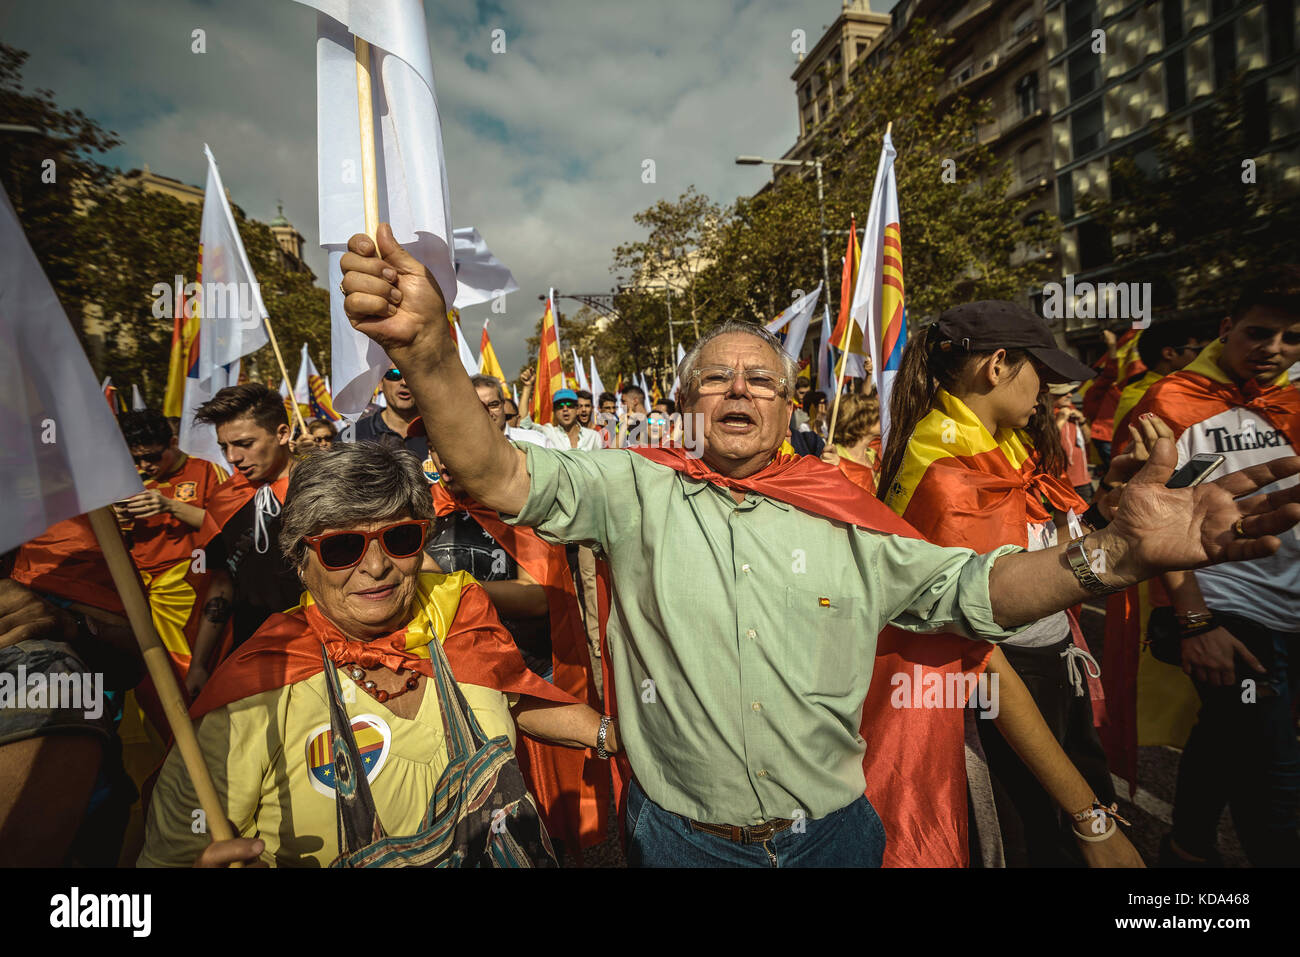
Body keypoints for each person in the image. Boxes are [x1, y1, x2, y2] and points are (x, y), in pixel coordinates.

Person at [339, 223, 1300, 867]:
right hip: (682, 841)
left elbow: (973, 594)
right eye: (716, 379)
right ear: (686, 404)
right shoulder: (631, 487)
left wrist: (1115, 558)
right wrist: (426, 354)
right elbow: (497, 475)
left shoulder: (842, 505)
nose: (740, 391)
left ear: (791, 404)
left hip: (836, 836)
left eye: (761, 378)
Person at [138, 443, 618, 867]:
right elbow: (176, 854)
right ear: (300, 562)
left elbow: (508, 692)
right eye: (342, 546)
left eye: (400, 537)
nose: (376, 566)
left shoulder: (454, 610)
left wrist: (612, 735)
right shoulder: (255, 689)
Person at [878, 301, 1131, 866]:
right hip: (997, 705)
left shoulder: (1004, 450)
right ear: (997, 366)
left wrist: (1104, 519)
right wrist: (1088, 818)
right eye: (1042, 371)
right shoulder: (949, 475)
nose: (1048, 390)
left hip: (1043, 676)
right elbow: (980, 654)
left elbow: (1032, 547)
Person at [1119, 277, 1300, 867]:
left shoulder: (1295, 399)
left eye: (1292, 338)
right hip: (1226, 608)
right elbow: (1154, 519)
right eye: (1259, 332)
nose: (1274, 347)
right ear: (1227, 327)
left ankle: (1186, 849)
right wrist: (1195, 622)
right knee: (1274, 774)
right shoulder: (1173, 400)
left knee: (1226, 739)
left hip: (1291, 602)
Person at [423, 448, 610, 857]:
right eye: (437, 450)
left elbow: (539, 597)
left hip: (528, 670)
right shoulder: (421, 511)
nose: (446, 460)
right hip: (455, 678)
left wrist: (452, 584)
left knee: (538, 792)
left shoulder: (515, 510)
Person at [186, 384, 299, 695]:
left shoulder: (324, 488)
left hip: (320, 644)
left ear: (282, 434)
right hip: (252, 650)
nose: (233, 457)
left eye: (244, 443)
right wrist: (200, 664)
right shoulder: (225, 499)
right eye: (224, 447)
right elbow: (220, 584)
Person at [1112, 317, 1210, 438]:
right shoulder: (1143, 399)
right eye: (1197, 350)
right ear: (1169, 353)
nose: (1202, 356)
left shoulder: (1193, 389)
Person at [353, 366, 429, 463]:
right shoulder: (353, 436)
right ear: (380, 383)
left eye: (412, 374)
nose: (404, 382)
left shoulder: (441, 434)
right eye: (394, 375)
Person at [826, 393, 880, 494]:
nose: (883, 417)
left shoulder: (874, 455)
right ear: (860, 420)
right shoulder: (833, 457)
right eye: (876, 415)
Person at [522, 388, 602, 451]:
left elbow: (600, 464)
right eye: (560, 406)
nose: (565, 409)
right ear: (554, 412)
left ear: (577, 410)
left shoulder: (593, 436)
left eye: (569, 405)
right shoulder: (549, 433)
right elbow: (525, 425)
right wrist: (527, 387)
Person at [1052, 386, 1094, 503]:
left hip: (1082, 480)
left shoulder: (1074, 413)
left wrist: (1083, 421)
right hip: (1060, 480)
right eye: (1064, 392)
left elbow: (1088, 439)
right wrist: (1060, 420)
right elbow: (1048, 443)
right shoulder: (1045, 416)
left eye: (1070, 392)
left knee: (1085, 518)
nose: (1070, 395)